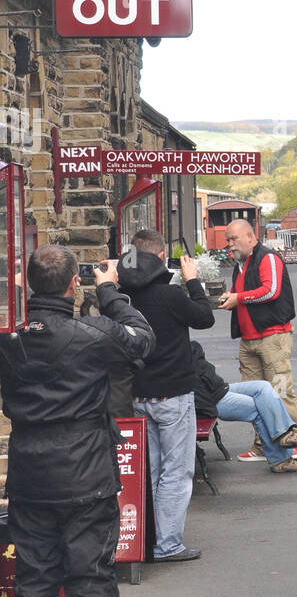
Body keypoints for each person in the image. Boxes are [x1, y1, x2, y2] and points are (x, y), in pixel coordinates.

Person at [0, 246, 155, 597]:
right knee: (89, 589)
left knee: (33, 589)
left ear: (28, 285)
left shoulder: (11, 339)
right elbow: (143, 340)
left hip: (31, 476)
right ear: (73, 284)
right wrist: (110, 291)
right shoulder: (93, 334)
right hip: (85, 476)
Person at [117, 229, 214, 562]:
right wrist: (193, 280)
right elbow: (204, 318)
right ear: (161, 258)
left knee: (152, 469)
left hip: (138, 395)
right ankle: (167, 543)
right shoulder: (170, 296)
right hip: (173, 394)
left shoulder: (122, 297)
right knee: (177, 471)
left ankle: (148, 538)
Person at [218, 220, 297, 451]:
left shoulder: (268, 258)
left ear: (250, 237)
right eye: (227, 240)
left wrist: (238, 298)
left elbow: (271, 291)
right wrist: (231, 296)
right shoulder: (240, 265)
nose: (229, 244)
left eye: (233, 238)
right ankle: (265, 445)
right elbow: (245, 293)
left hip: (273, 337)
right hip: (248, 339)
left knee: (280, 391)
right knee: (253, 397)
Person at [190, 341, 297, 473]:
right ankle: (280, 460)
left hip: (219, 388)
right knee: (259, 408)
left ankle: (284, 434)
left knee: (264, 386)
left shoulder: (183, 342)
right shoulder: (176, 350)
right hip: (209, 400)